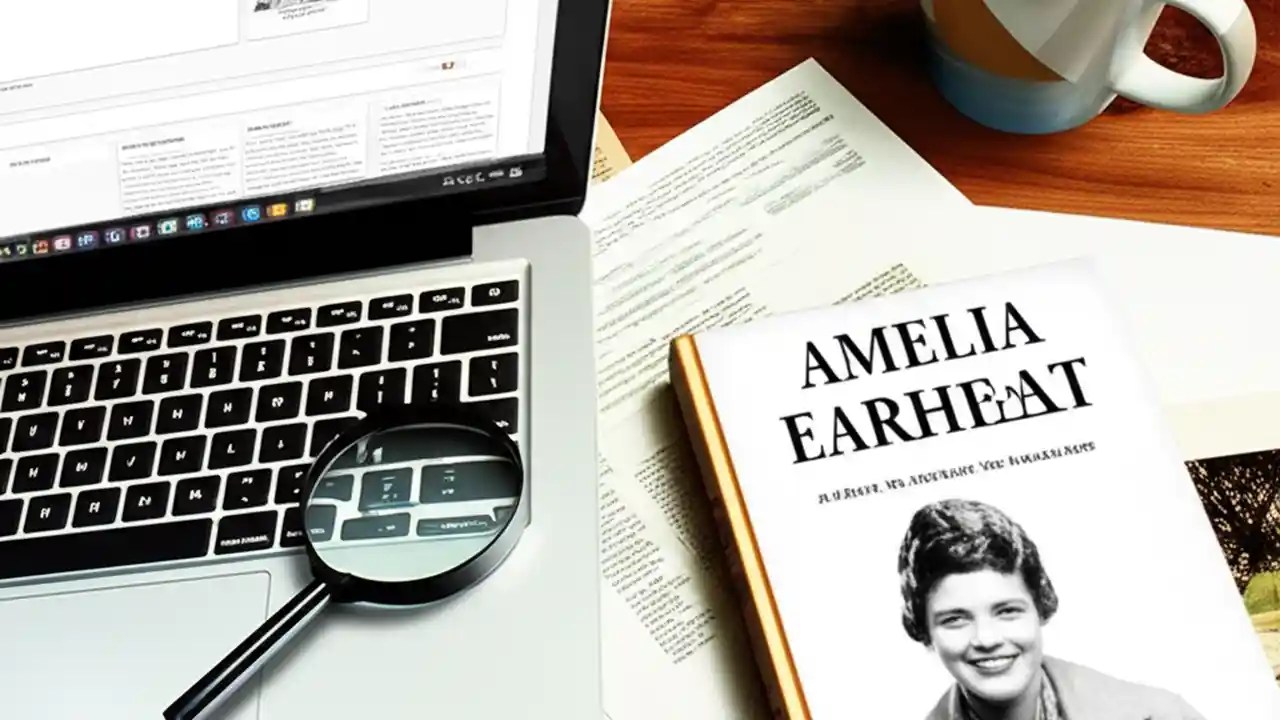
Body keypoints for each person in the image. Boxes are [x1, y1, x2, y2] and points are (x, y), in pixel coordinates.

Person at [896, 498, 1206, 720]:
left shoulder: (1158, 715)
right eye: (955, 619)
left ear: (1040, 607)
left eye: (1007, 611)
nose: (986, 639)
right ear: (924, 631)